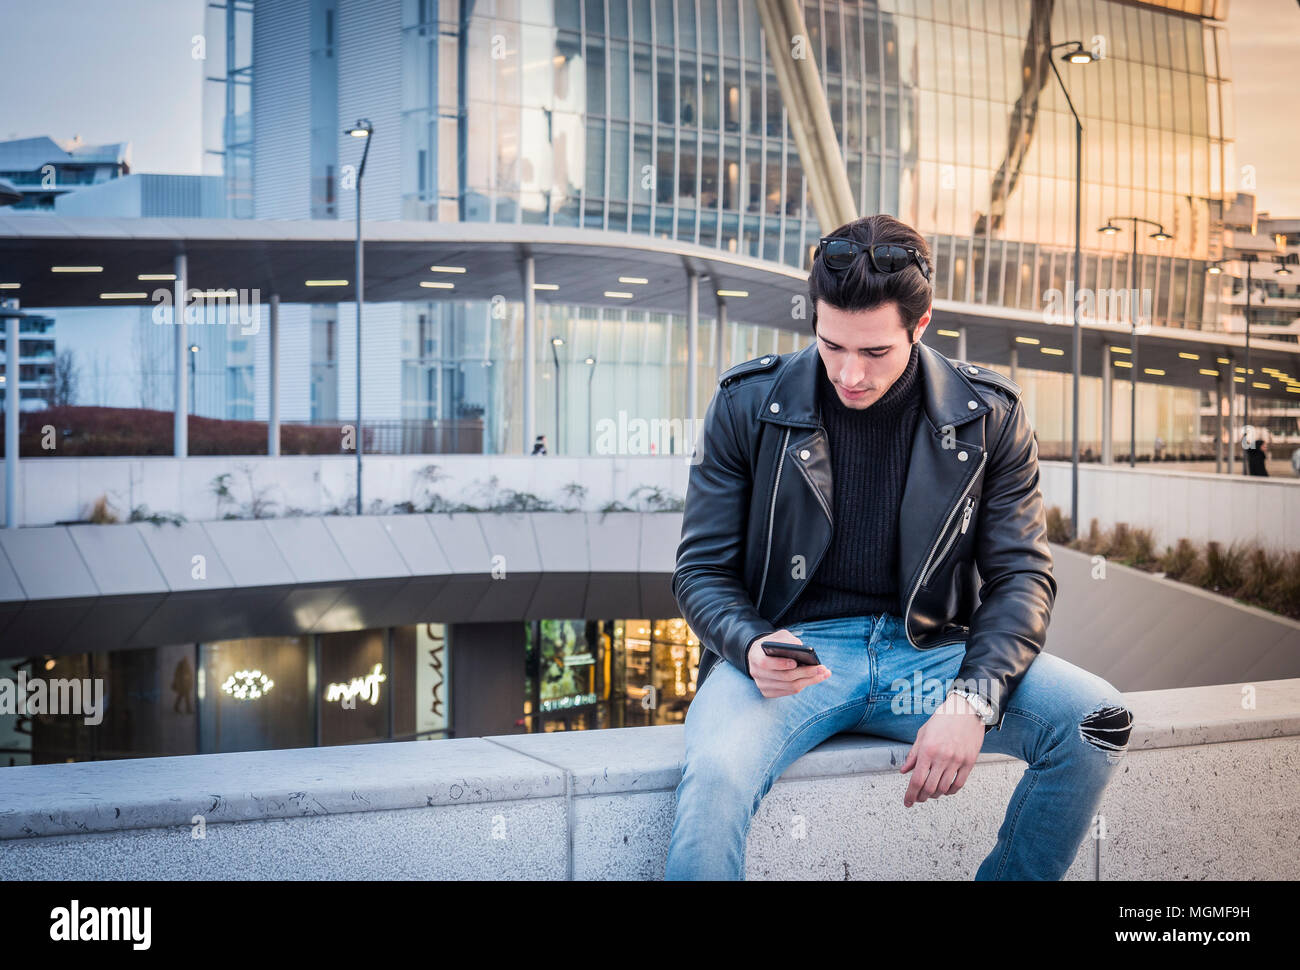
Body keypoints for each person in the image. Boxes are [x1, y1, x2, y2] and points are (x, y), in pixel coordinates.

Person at [666, 213, 1134, 881]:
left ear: (921, 324)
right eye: (831, 346)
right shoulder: (749, 404)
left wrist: (973, 699)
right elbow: (701, 570)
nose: (849, 374)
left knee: (1095, 722)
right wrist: (748, 644)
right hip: (790, 660)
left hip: (930, 657)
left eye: (875, 352)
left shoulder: (988, 414)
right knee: (714, 775)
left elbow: (1022, 577)